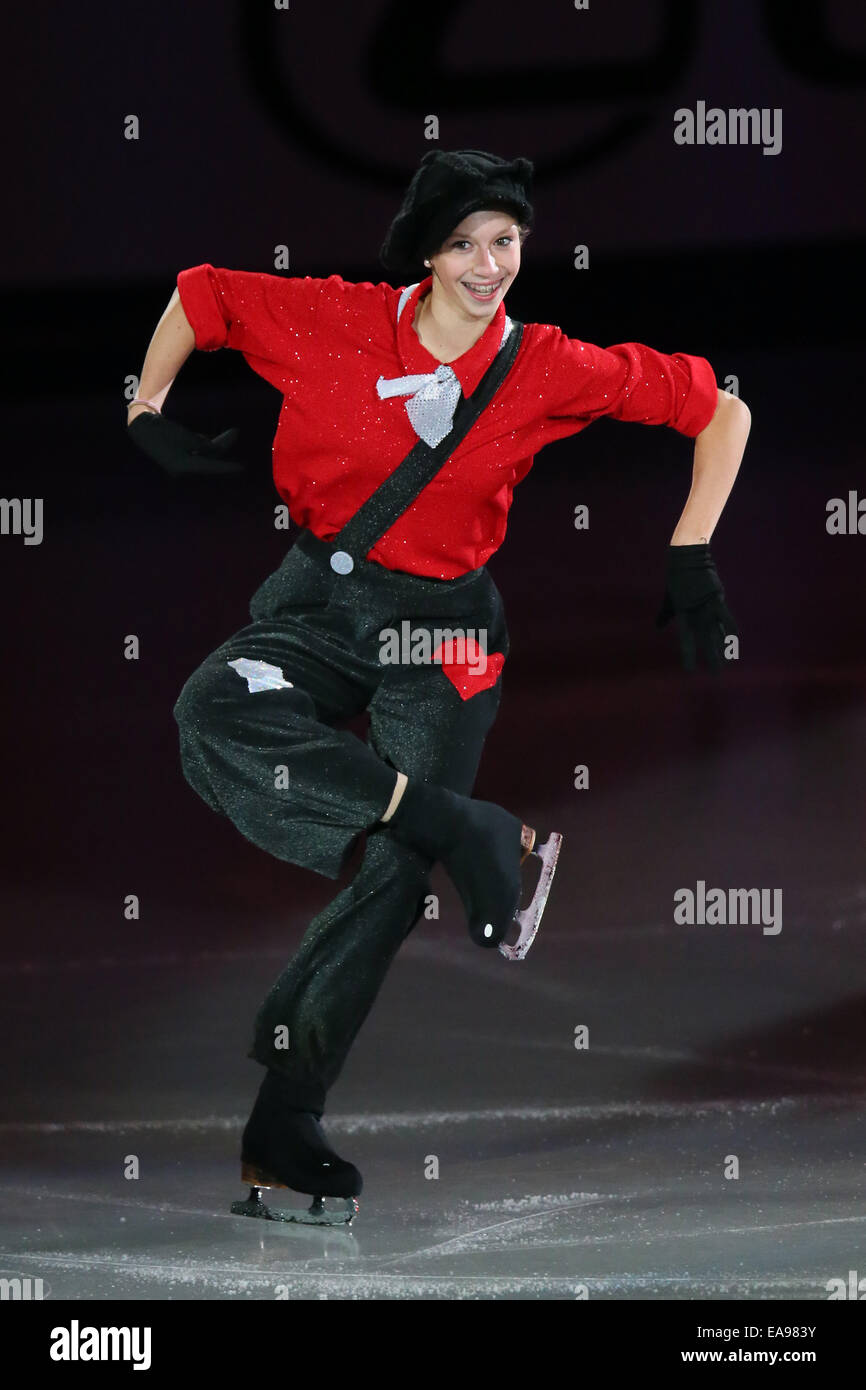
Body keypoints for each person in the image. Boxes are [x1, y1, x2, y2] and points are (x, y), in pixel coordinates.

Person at [126, 149, 750, 1223]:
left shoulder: (544, 363)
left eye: (505, 240)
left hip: (444, 631)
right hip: (320, 600)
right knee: (209, 708)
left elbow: (718, 410)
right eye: (463, 241)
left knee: (394, 872)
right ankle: (470, 826)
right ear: (424, 249)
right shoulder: (334, 318)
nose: (487, 263)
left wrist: (690, 549)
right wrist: (146, 408)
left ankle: (284, 1119)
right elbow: (203, 294)